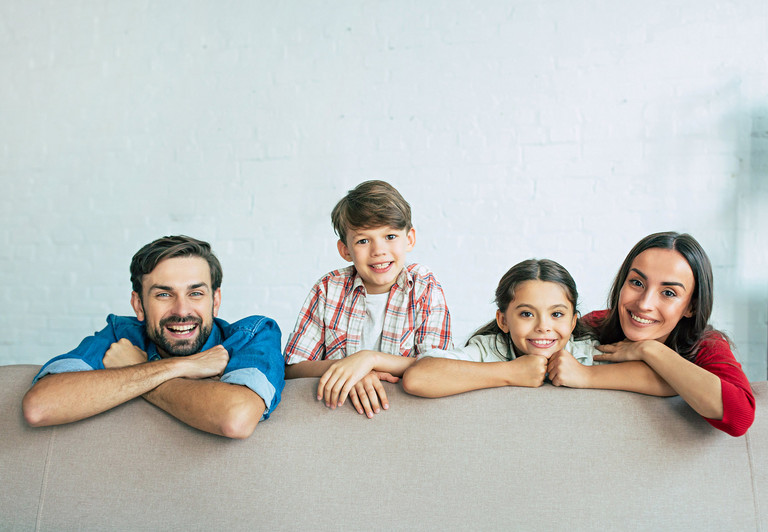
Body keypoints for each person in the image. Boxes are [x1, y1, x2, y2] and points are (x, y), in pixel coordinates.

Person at [22, 235, 284, 439]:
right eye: (163, 294)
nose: (182, 310)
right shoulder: (121, 335)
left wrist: (139, 370)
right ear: (138, 305)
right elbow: (40, 407)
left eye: (195, 293)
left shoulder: (252, 335)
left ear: (215, 301)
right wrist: (181, 367)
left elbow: (235, 419)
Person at [546, 231, 755, 437]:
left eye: (669, 293)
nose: (644, 304)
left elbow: (740, 416)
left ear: (691, 307)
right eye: (637, 283)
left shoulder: (706, 345)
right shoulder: (596, 323)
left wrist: (649, 350)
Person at [283, 180, 452, 417]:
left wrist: (368, 360)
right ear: (345, 250)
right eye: (363, 240)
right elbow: (291, 369)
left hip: (406, 418)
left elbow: (441, 367)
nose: (378, 250)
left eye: (390, 236)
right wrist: (351, 371)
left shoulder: (425, 288)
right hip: (336, 419)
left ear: (410, 239)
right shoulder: (328, 289)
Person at [403, 258, 601, 397]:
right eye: (527, 314)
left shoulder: (588, 353)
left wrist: (586, 374)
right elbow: (417, 378)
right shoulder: (488, 349)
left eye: (556, 314)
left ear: (573, 321)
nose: (543, 326)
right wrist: (510, 373)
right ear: (503, 320)